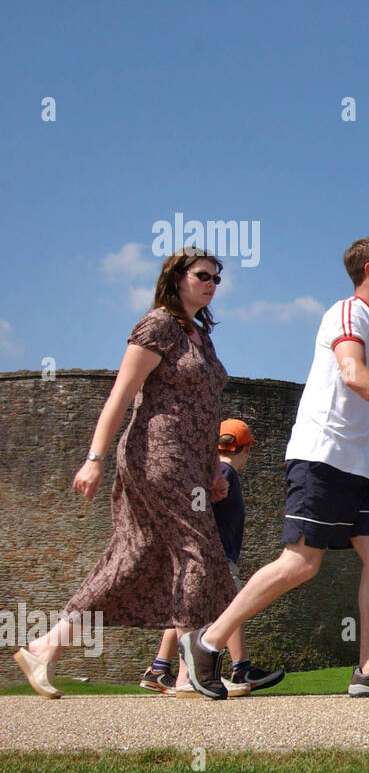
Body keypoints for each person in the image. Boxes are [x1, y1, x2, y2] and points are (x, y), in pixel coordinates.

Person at [180, 237, 369, 699]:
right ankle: (207, 641)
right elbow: (352, 374)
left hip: (368, 466)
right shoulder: (347, 313)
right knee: (301, 563)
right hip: (325, 454)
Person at [13, 249, 236, 697]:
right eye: (203, 275)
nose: (212, 283)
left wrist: (214, 466)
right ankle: (193, 672)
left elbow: (208, 409)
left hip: (191, 461)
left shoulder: (199, 336)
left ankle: (44, 647)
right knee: (201, 551)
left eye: (217, 277)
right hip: (156, 455)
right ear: (176, 279)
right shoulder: (157, 326)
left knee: (134, 559)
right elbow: (120, 395)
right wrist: (95, 459)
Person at [142, 419, 286, 697]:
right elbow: (198, 507)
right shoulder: (225, 472)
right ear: (244, 450)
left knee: (189, 609)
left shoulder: (213, 471)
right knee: (234, 604)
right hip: (215, 555)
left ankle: (159, 668)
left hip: (206, 552)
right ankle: (241, 668)